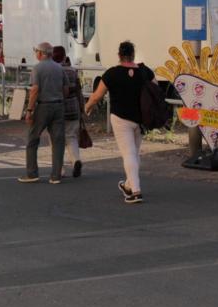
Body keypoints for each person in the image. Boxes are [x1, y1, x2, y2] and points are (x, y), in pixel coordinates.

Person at [85, 41, 151, 205]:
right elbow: (154, 89)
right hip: (140, 118)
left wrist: (87, 108)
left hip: (121, 118)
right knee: (134, 153)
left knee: (128, 153)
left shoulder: (112, 74)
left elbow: (96, 96)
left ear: (119, 55)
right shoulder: (145, 71)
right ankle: (128, 185)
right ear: (133, 54)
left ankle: (135, 191)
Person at [19, 42, 66, 185]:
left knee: (33, 139)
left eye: (36, 52)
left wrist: (29, 110)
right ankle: (56, 175)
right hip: (58, 106)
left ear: (40, 53)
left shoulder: (37, 69)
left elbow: (34, 90)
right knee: (58, 141)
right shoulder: (59, 68)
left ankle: (32, 173)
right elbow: (66, 89)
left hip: (43, 106)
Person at [52, 46, 85, 178]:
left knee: (56, 139)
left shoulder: (54, 71)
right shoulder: (73, 71)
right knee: (71, 137)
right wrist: (82, 107)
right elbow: (79, 91)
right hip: (73, 108)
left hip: (57, 108)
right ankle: (76, 160)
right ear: (65, 56)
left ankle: (60, 169)